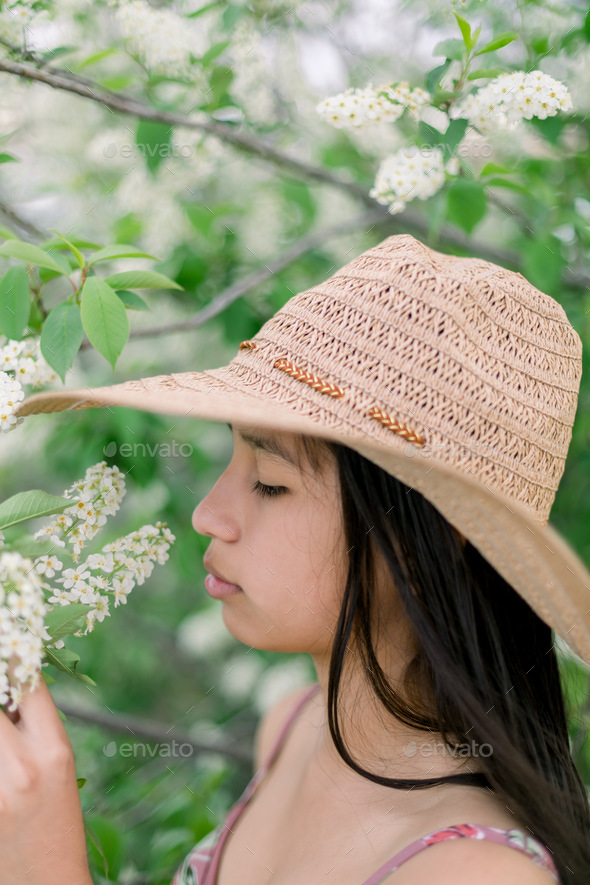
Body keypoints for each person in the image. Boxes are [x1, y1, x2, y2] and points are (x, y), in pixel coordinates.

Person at [9, 234, 590, 884]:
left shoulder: (476, 873)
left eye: (269, 481)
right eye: (235, 458)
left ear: (431, 538)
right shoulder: (291, 730)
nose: (208, 514)